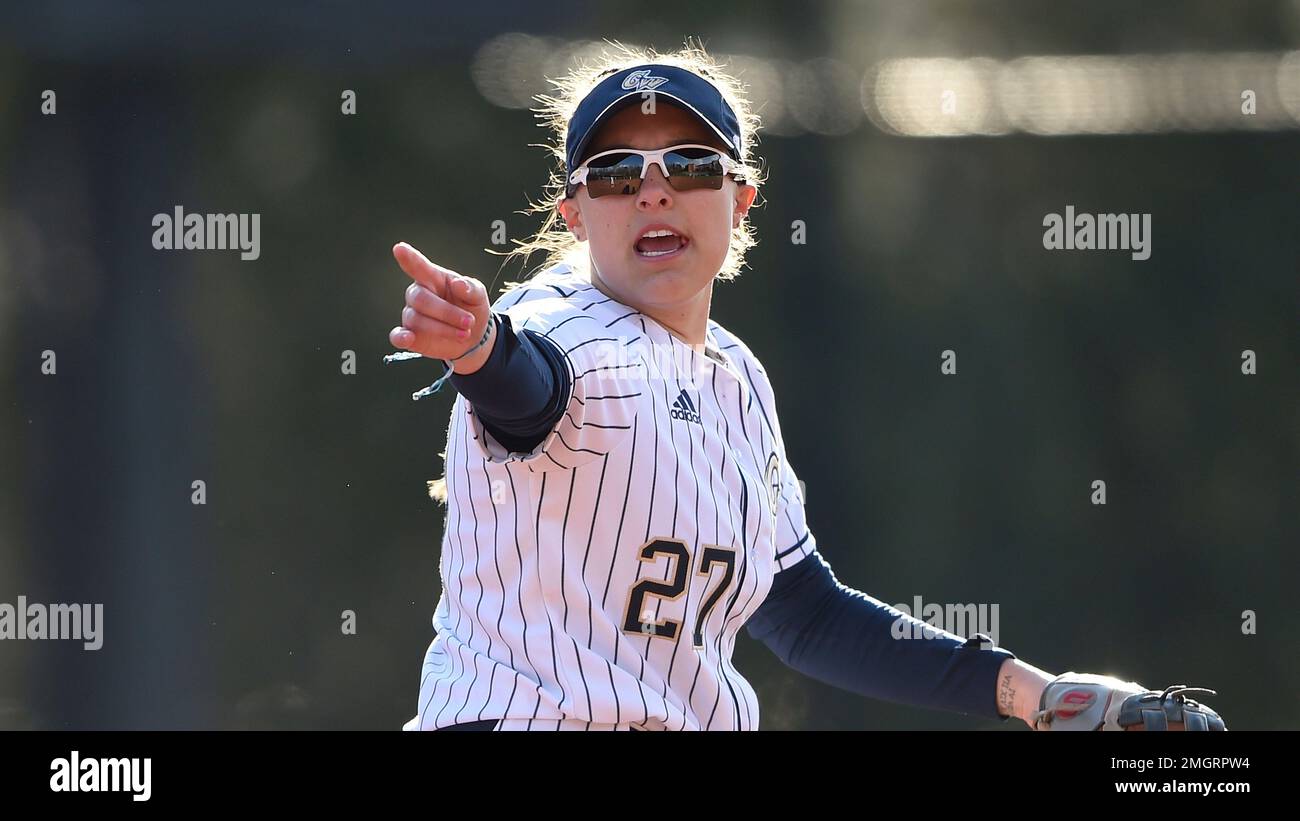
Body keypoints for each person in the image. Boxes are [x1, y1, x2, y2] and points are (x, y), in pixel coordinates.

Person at [388, 42, 1203, 731]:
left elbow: (805, 614)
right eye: (613, 174)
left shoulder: (737, 381)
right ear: (573, 214)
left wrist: (1038, 695)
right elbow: (530, 389)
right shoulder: (559, 321)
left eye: (691, 163)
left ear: (740, 199)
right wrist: (480, 348)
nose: (654, 187)